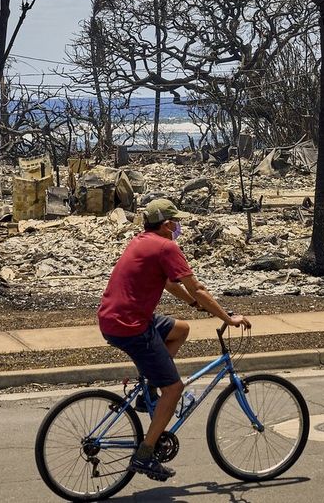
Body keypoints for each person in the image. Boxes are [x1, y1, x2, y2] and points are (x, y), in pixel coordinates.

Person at [97, 197, 251, 482]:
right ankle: (144, 455)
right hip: (131, 325)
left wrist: (196, 306)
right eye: (175, 223)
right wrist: (228, 318)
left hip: (115, 317)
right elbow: (197, 287)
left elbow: (170, 284)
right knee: (175, 388)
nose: (177, 227)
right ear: (167, 224)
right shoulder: (167, 246)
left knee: (181, 329)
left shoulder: (141, 241)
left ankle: (148, 393)